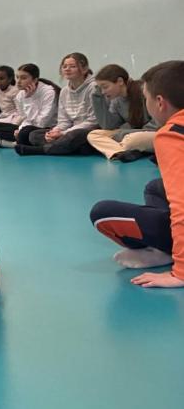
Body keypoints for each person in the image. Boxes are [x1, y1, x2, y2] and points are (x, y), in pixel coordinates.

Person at [89, 61, 184, 288]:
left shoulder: (171, 135)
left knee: (102, 213)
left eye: (146, 99)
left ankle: (167, 250)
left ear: (160, 102)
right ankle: (164, 245)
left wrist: (180, 273)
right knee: (155, 187)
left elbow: (182, 205)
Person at [16, 52, 98, 156]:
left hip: (87, 131)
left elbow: (93, 122)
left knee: (76, 135)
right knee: (33, 134)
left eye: (72, 66)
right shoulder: (64, 91)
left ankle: (41, 150)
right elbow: (63, 121)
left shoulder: (93, 88)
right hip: (68, 132)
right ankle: (70, 148)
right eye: (64, 66)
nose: (67, 69)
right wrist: (54, 132)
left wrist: (63, 133)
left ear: (84, 69)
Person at [87, 64, 158, 162]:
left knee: (131, 140)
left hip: (152, 133)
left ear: (120, 81)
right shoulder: (116, 101)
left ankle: (128, 148)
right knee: (93, 134)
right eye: (100, 88)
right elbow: (109, 126)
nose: (103, 92)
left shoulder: (143, 92)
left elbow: (156, 125)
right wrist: (97, 98)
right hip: (130, 134)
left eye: (105, 87)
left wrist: (125, 133)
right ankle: (120, 152)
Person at [0, 63, 59, 148]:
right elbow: (24, 117)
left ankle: (11, 143)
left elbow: (42, 122)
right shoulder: (21, 94)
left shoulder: (48, 92)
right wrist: (19, 129)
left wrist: (30, 99)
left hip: (46, 129)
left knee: (27, 132)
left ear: (35, 80)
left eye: (23, 78)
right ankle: (19, 141)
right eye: (17, 77)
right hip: (28, 128)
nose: (18, 81)